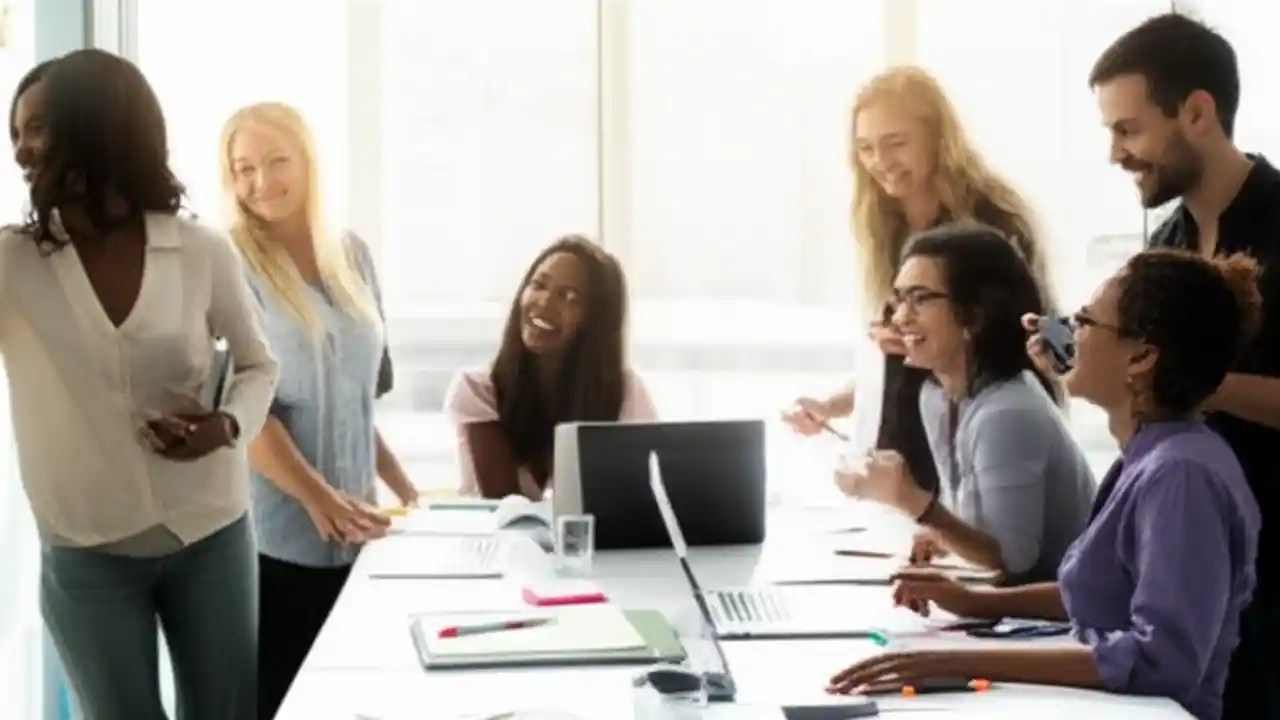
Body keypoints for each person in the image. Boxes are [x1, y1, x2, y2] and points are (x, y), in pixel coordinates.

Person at [830, 250, 1262, 720]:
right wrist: (977, 601)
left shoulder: (1181, 476)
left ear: (1140, 356)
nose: (1068, 334)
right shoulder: (1147, 455)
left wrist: (957, 659)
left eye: (1084, 322)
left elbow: (1163, 660)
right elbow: (1107, 594)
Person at [4, 50, 278, 720]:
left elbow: (257, 365)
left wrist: (225, 426)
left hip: (208, 533)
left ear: (97, 124)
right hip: (85, 549)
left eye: (36, 129)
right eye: (14, 136)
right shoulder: (11, 261)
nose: (21, 153)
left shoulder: (200, 250)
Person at [1023, 14, 1280, 718]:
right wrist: (1089, 356)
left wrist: (1181, 372)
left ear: (1197, 112)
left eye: (1128, 129)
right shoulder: (1168, 241)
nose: (1115, 153)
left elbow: (1182, 383)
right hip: (1187, 558)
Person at [219, 101, 418, 719]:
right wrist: (317, 497)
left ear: (308, 162)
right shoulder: (230, 263)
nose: (261, 182)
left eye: (277, 161)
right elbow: (245, 413)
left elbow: (359, 402)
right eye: (243, 168)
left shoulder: (352, 256)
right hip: (276, 542)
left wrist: (411, 496)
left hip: (359, 538)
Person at [782, 65, 1053, 498]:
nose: (880, 162)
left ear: (938, 137)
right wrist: (832, 405)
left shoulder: (994, 223)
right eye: (866, 148)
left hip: (974, 441)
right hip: (905, 448)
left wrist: (917, 335)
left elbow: (1022, 342)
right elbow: (897, 359)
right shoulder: (885, 225)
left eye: (896, 144)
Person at [835, 223, 1092, 583]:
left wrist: (913, 502)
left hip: (1051, 623)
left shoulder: (1008, 411)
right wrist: (942, 535)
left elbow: (1012, 560)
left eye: (920, 299)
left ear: (973, 316)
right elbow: (980, 531)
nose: (900, 317)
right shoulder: (937, 397)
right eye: (899, 298)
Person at [444, 236, 656, 499]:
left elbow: (639, 495)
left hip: (582, 540)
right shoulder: (477, 389)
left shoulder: (624, 390)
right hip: (499, 539)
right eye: (538, 285)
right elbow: (509, 509)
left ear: (595, 319)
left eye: (568, 296)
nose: (544, 302)